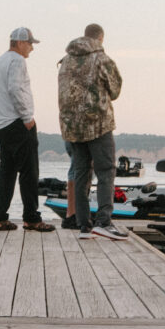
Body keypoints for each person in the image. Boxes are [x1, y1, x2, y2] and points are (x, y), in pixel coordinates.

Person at [58, 23, 126, 240]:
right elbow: (115, 90)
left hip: (72, 126)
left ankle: (84, 226)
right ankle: (104, 222)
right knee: (106, 171)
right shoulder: (101, 58)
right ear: (101, 39)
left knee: (81, 173)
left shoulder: (65, 60)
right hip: (98, 124)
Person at [0, 28, 53, 232]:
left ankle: (0, 217)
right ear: (18, 43)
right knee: (29, 171)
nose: (32, 48)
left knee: (6, 171)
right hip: (17, 122)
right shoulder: (17, 61)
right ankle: (32, 218)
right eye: (30, 43)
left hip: (1, 124)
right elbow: (15, 88)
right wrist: (27, 117)